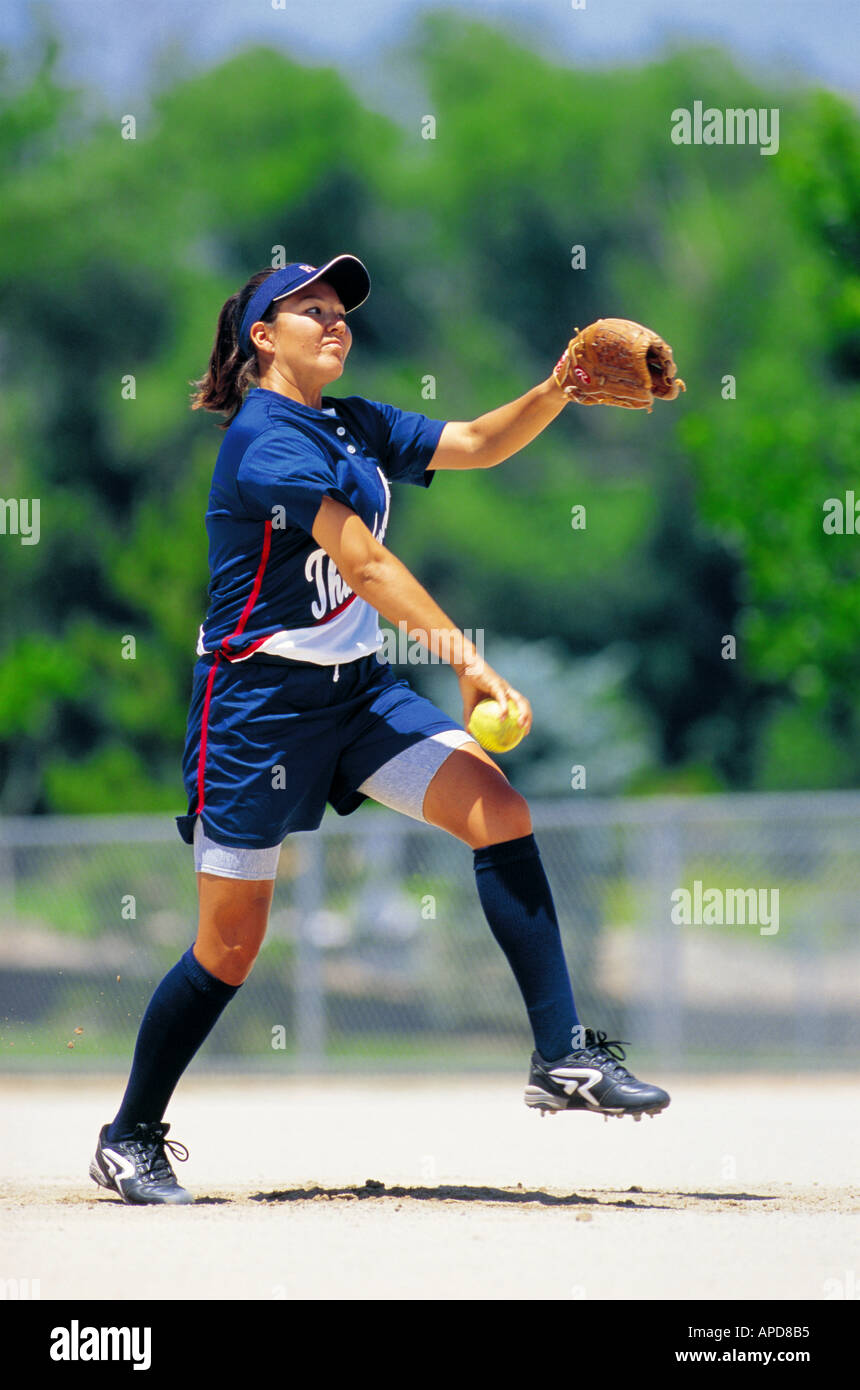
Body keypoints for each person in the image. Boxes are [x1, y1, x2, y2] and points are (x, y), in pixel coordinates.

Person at [89, 254, 670, 1205]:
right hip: (256, 710)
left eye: (340, 309)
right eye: (307, 309)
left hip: (356, 696)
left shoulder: (352, 425)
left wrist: (557, 388)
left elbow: (479, 443)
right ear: (260, 340)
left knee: (501, 811)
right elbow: (360, 563)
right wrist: (467, 660)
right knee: (228, 947)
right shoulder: (263, 442)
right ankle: (130, 1133)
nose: (333, 321)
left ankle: (561, 1054)